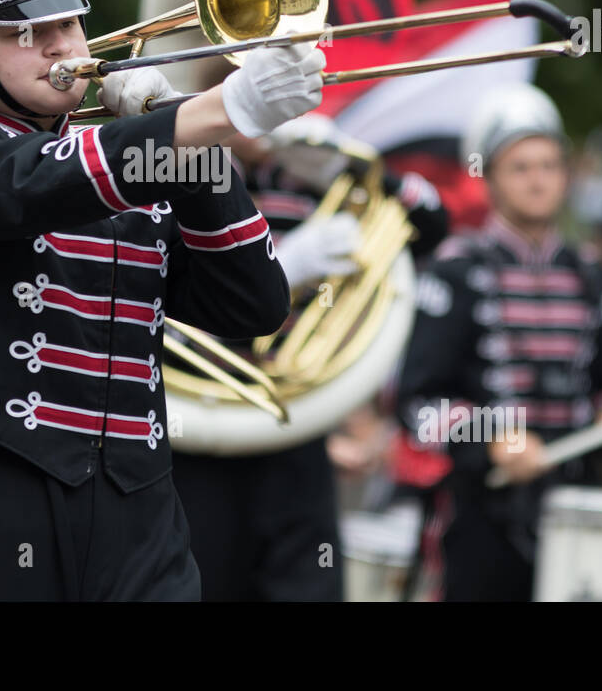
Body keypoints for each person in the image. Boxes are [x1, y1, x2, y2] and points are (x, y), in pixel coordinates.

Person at [0, 0, 323, 600]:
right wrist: (211, 113)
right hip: (3, 509)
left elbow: (253, 302)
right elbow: (28, 183)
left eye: (69, 21)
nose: (63, 46)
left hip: (142, 513)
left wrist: (189, 142)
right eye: (29, 32)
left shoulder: (130, 148)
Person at [171, 112, 449, 601]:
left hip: (294, 418)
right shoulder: (183, 168)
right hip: (198, 418)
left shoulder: (314, 179)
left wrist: (350, 167)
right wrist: (281, 266)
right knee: (204, 583)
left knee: (306, 585)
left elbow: (431, 220)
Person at [396, 83, 602, 601]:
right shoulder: (456, 272)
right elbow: (418, 405)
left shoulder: (589, 274)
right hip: (480, 514)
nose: (538, 181)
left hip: (575, 507)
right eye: (520, 167)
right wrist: (493, 440)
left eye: (550, 166)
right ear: (488, 179)